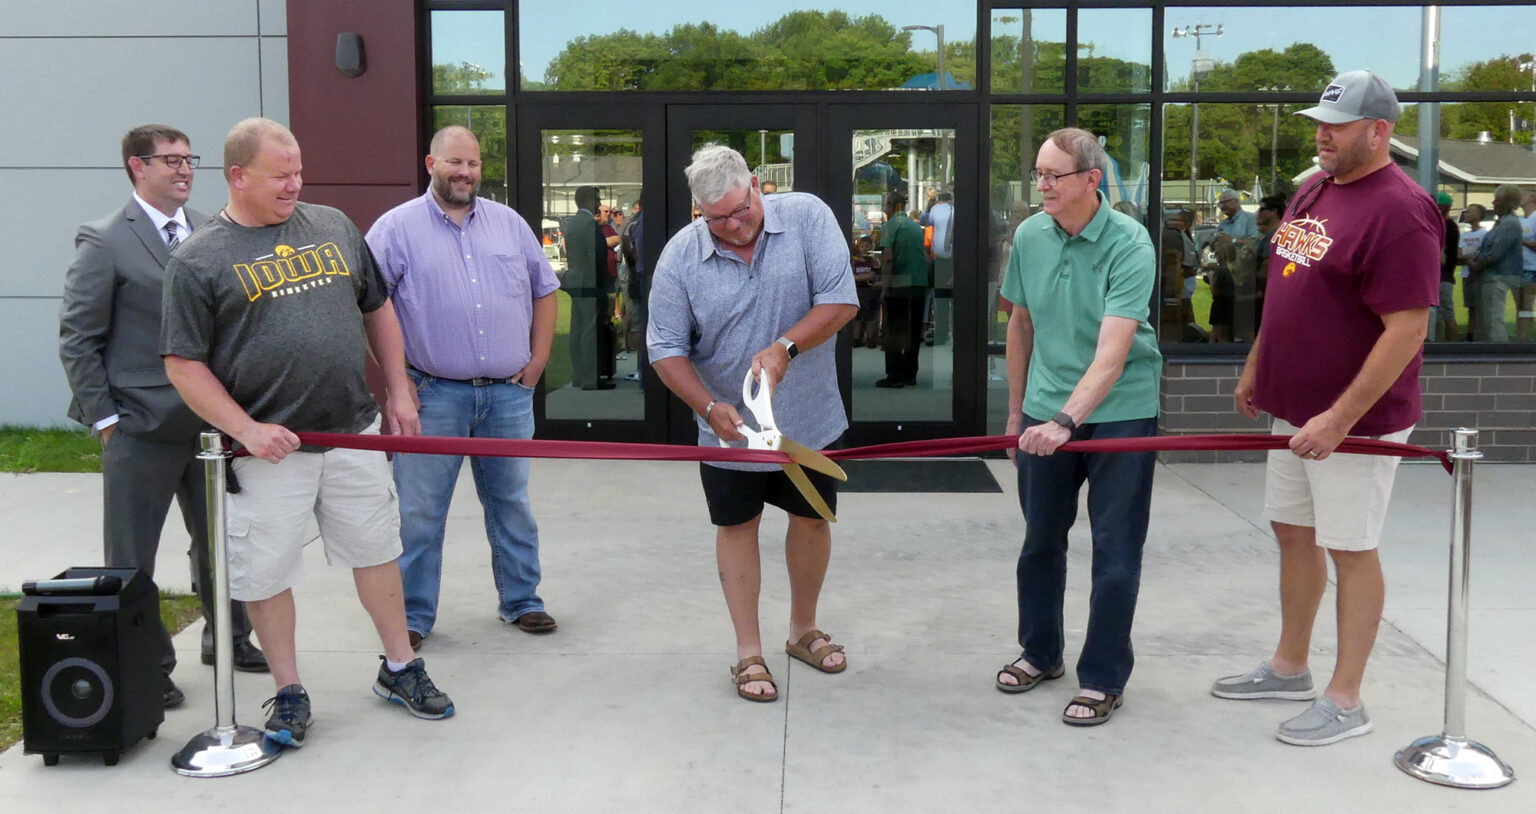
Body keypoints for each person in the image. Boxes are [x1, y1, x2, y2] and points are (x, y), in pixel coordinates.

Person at [161, 118, 454, 749]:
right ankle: (290, 690)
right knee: (267, 573)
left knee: (377, 551)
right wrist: (246, 429)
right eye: (280, 175)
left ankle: (400, 666)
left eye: (298, 172)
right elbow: (183, 364)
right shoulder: (198, 259)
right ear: (237, 176)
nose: (295, 184)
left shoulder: (333, 226)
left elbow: (377, 308)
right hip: (267, 451)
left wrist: (399, 389)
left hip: (353, 432)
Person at [1211, 70, 1440, 747]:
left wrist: (1340, 419)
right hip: (1293, 406)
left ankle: (1346, 700)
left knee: (1351, 549)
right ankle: (1290, 667)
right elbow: (1289, 287)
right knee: (1293, 532)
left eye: (1337, 126)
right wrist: (1257, 365)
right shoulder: (1314, 189)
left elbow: (1407, 329)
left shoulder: (1402, 210)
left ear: (1379, 131)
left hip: (1354, 422)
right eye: (1320, 123)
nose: (1323, 135)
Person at [59, 125, 267, 708]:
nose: (184, 169)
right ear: (137, 166)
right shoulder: (104, 240)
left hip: (208, 424)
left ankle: (229, 638)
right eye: (170, 160)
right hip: (139, 426)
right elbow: (78, 339)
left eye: (188, 159)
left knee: (219, 542)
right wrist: (105, 421)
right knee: (132, 557)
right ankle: (149, 664)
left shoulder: (211, 229)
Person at [647, 144, 858, 703]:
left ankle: (803, 630)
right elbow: (664, 348)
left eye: (741, 210)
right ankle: (749, 652)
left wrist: (785, 347)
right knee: (737, 526)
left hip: (809, 422)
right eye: (717, 219)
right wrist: (706, 407)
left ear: (758, 185)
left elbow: (841, 301)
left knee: (811, 520)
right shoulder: (681, 256)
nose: (734, 226)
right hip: (729, 430)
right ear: (699, 211)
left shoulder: (808, 217)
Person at [365, 125, 560, 648]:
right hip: (431, 395)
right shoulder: (395, 229)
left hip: (507, 396)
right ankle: (411, 617)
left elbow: (545, 290)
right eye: (454, 162)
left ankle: (522, 601)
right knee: (419, 513)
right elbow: (370, 308)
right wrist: (397, 385)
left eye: (472, 164)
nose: (465, 173)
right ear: (431, 164)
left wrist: (539, 360)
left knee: (512, 504)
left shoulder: (509, 224)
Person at [994, 128, 1162, 728]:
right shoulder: (1030, 235)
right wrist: (1018, 414)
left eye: (1053, 175)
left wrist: (1068, 420)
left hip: (1121, 411)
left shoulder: (1129, 242)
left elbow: (1113, 353)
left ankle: (1103, 677)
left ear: (1092, 180)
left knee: (1115, 551)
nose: (1041, 185)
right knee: (1040, 542)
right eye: (1037, 173)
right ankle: (1040, 653)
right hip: (1045, 410)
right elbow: (1020, 326)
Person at [561, 186, 615, 389]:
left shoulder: (572, 223)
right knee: (590, 331)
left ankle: (579, 375)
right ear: (587, 200)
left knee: (577, 330)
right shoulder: (589, 224)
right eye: (597, 199)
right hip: (591, 282)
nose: (599, 203)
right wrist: (606, 284)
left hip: (576, 281)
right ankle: (591, 379)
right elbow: (597, 256)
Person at [876, 190, 929, 388]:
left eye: (886, 205)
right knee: (914, 330)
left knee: (895, 329)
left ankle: (894, 375)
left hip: (899, 284)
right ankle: (910, 373)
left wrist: (884, 287)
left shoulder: (890, 226)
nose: (885, 209)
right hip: (919, 284)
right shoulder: (916, 227)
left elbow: (888, 258)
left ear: (893, 205)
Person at [1467, 185, 1527, 343]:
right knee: (1486, 320)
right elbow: (1486, 248)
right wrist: (1475, 260)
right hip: (1488, 277)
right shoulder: (1500, 223)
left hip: (1499, 277)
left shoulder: (1509, 223)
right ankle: (1487, 349)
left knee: (1493, 319)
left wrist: (1476, 265)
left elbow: (1495, 253)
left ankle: (1499, 351)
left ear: (1507, 203)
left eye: (1497, 200)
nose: (1493, 203)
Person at [1458, 204, 1489, 340]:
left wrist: (1468, 258)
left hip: (1479, 274)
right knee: (1471, 306)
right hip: (1466, 274)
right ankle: (1470, 335)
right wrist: (1470, 258)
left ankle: (1480, 334)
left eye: (1469, 212)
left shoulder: (1484, 234)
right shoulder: (1464, 234)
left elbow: (1483, 253)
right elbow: (1459, 255)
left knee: (1480, 306)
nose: (1465, 214)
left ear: (1478, 216)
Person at [1434, 192, 1461, 341]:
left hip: (1444, 276)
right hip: (1439, 276)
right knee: (1437, 315)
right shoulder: (1444, 225)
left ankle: (1453, 344)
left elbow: (1442, 255)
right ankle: (1437, 343)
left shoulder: (1448, 226)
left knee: (1447, 313)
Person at [1518, 188, 1536, 342]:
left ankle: (1525, 340)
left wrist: (1522, 241)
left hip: (1532, 268)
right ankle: (1521, 338)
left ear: (1532, 198)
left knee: (1527, 304)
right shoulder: (1520, 220)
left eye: (1523, 194)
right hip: (1520, 267)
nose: (1520, 197)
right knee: (1521, 305)